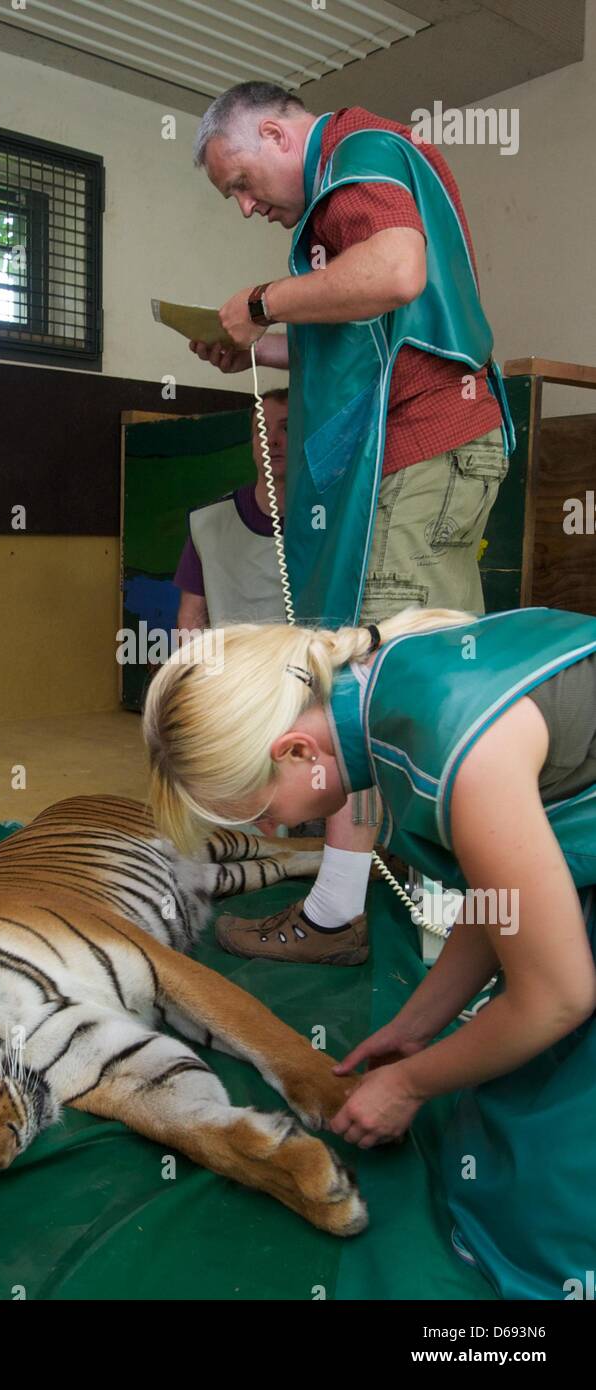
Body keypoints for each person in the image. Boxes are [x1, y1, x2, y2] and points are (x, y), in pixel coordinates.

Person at [142, 605, 596, 1299]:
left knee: (551, 1197)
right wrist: (417, 1027)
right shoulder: (379, 686)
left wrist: (411, 1083)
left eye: (259, 812)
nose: (277, 827)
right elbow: (505, 895)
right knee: (499, 1114)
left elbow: (558, 995)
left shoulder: (454, 751)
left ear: (295, 752)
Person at [187, 81, 514, 963]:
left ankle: (353, 916)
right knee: (427, 673)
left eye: (242, 182)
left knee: (372, 682)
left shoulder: (358, 158)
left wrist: (264, 302)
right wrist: (254, 345)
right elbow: (372, 323)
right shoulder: (356, 178)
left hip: (422, 450)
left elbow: (395, 271)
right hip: (447, 446)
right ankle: (446, 907)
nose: (248, 205)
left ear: (271, 129)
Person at [175, 389, 288, 630]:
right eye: (262, 430)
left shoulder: (330, 522)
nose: (273, 440)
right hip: (231, 666)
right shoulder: (208, 523)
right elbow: (190, 619)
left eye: (286, 428)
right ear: (253, 443)